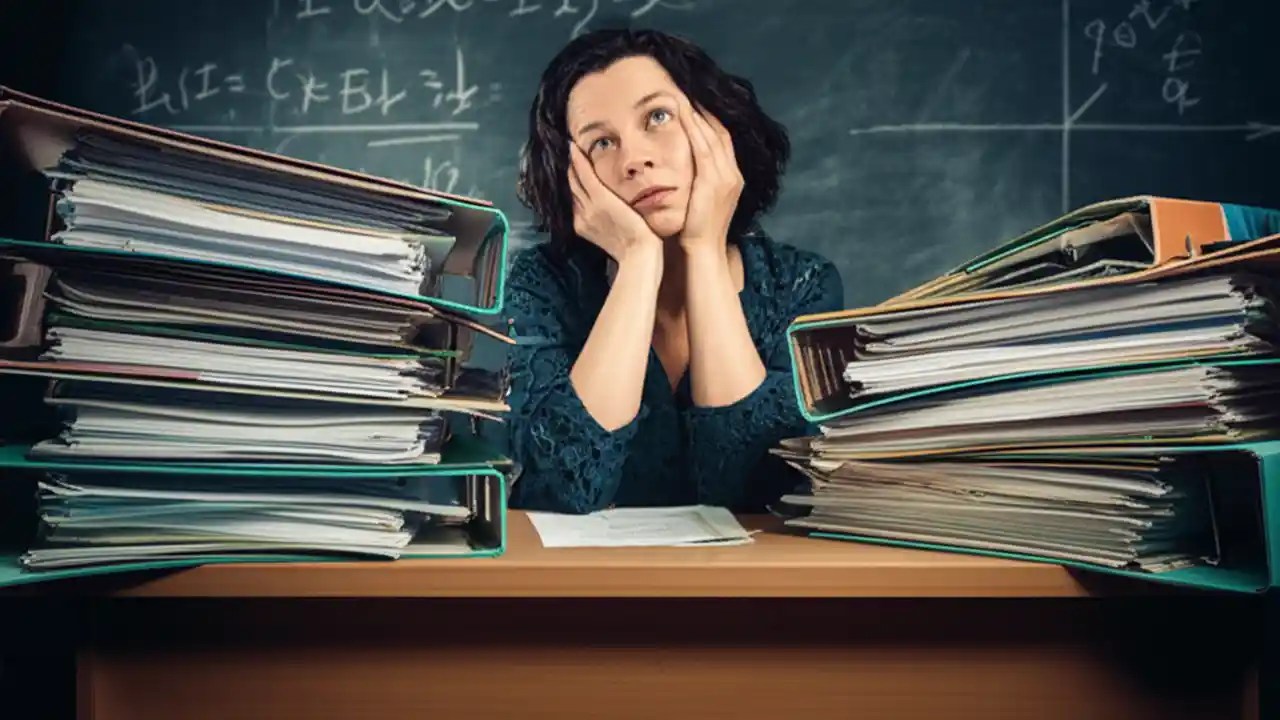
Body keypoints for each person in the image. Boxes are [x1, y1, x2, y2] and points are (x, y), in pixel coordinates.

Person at [504, 28, 843, 514]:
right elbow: (560, 491)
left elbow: (765, 496)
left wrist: (704, 249)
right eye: (601, 143)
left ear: (717, 131)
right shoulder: (544, 284)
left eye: (657, 117)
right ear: (572, 177)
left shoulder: (803, 285)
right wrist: (639, 260)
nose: (634, 160)